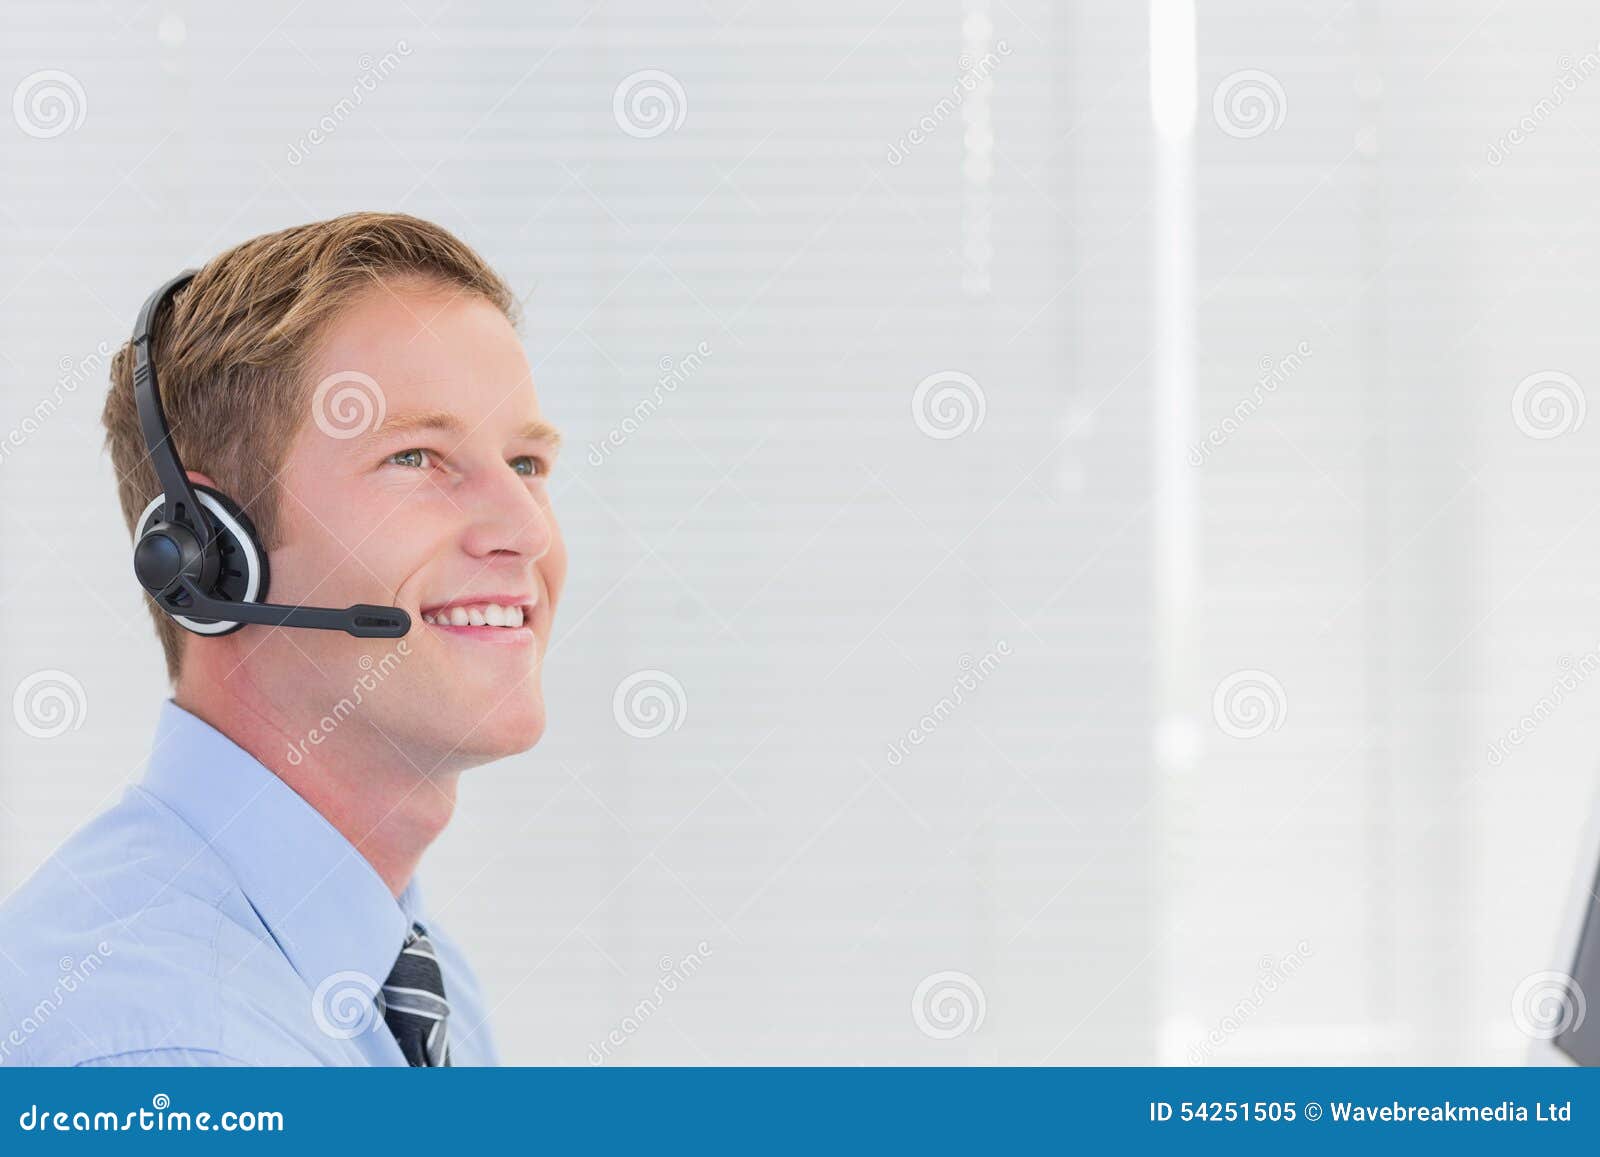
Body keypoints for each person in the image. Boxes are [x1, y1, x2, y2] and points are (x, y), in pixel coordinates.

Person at [0, 212, 566, 1066]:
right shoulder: (161, 1054)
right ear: (210, 556)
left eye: (526, 465)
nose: (525, 526)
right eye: (417, 457)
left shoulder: (409, 970)